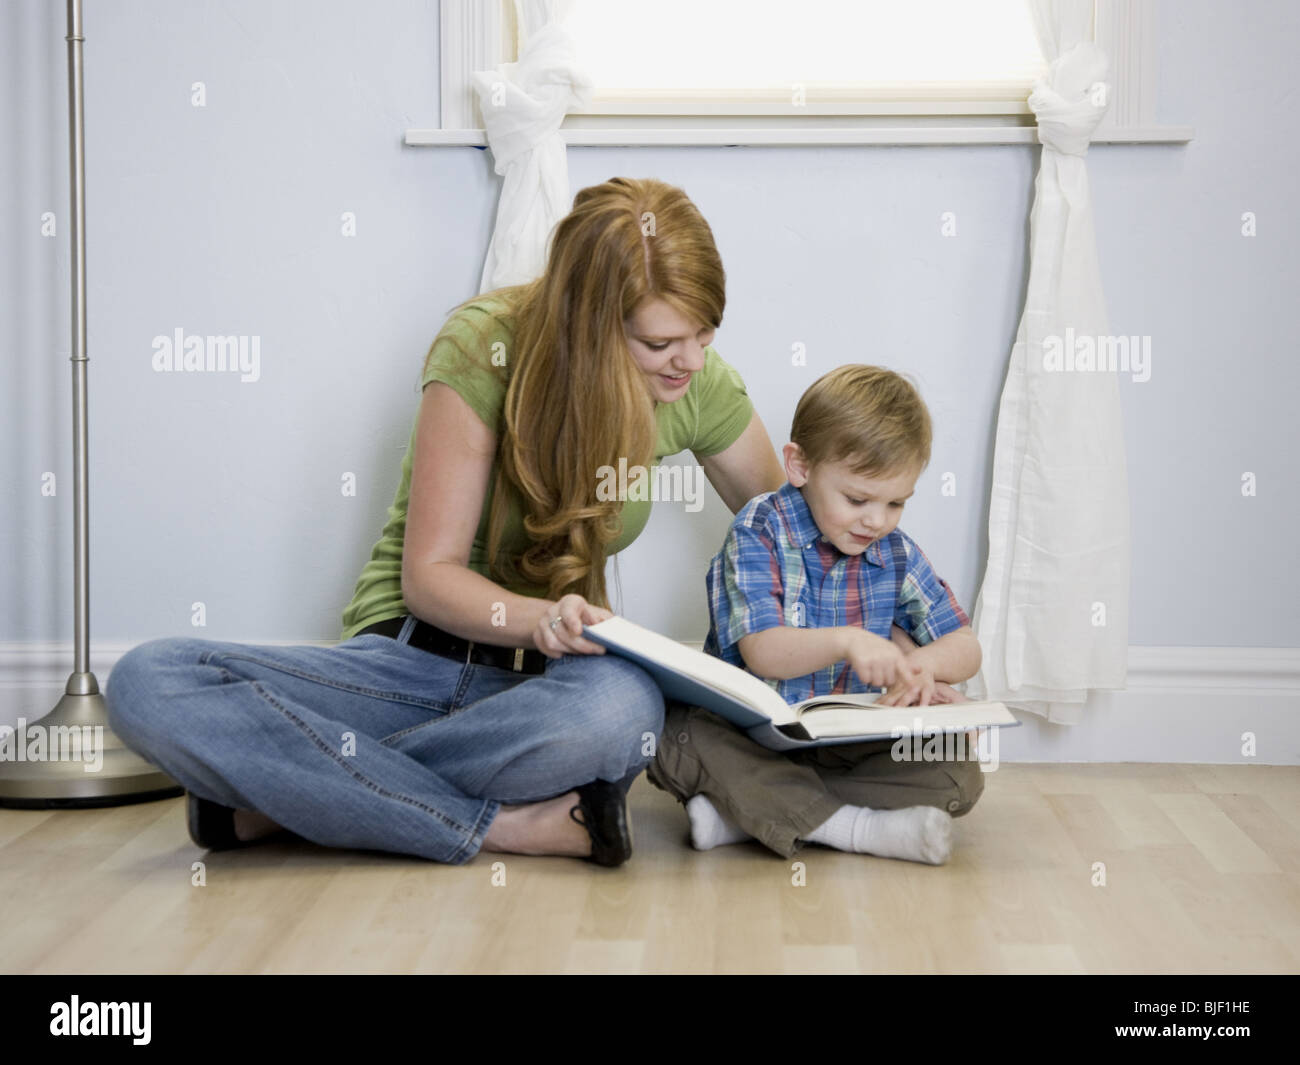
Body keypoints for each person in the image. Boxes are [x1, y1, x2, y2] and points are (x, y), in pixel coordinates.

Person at [104, 176, 787, 867]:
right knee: (147, 679)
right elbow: (430, 578)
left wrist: (882, 639)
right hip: (406, 662)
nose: (691, 360)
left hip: (539, 695)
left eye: (704, 333)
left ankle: (287, 796)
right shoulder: (483, 347)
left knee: (623, 710)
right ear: (591, 323)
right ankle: (498, 825)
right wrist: (539, 619)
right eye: (663, 341)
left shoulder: (696, 384)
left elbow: (790, 536)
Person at [647, 364, 986, 865]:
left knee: (957, 769)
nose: (876, 520)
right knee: (677, 737)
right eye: (857, 499)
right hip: (755, 741)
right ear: (800, 467)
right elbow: (763, 651)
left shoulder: (894, 551)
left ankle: (752, 811)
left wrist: (922, 670)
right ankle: (855, 827)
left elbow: (966, 644)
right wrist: (847, 641)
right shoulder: (759, 530)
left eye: (896, 503)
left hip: (851, 744)